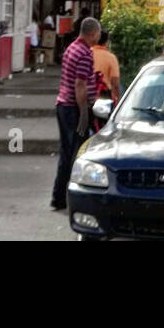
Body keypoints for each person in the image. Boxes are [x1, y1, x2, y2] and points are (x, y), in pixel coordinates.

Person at [51, 16, 100, 211]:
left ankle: (59, 196)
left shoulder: (71, 48)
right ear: (92, 33)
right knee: (75, 154)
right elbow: (80, 86)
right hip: (73, 109)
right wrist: (84, 113)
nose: (98, 37)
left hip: (63, 105)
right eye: (97, 33)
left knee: (66, 152)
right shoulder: (85, 54)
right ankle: (67, 197)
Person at [91, 31, 121, 103]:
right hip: (103, 95)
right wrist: (119, 100)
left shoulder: (87, 53)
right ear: (106, 42)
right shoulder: (111, 58)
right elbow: (115, 83)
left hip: (86, 92)